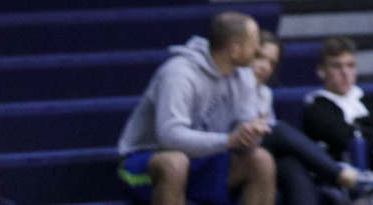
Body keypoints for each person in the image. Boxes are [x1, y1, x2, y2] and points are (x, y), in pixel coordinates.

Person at [115, 11, 276, 205]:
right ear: (234, 49)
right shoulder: (179, 73)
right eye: (253, 42)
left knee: (261, 160)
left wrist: (251, 133)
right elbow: (170, 137)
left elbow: (244, 133)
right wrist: (229, 140)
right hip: (146, 162)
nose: (258, 48)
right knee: (175, 163)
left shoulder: (244, 76)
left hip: (202, 163)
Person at [247, 35, 373, 205]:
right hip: (233, 151)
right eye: (259, 57)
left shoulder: (264, 93)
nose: (265, 67)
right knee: (277, 130)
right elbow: (342, 135)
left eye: (272, 63)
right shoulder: (316, 107)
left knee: (291, 165)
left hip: (255, 150)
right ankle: (341, 174)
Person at [301, 37, 373, 169]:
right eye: (336, 66)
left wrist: (358, 124)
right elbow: (343, 136)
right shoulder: (315, 109)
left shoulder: (372, 100)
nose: (345, 72)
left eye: (350, 65)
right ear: (321, 71)